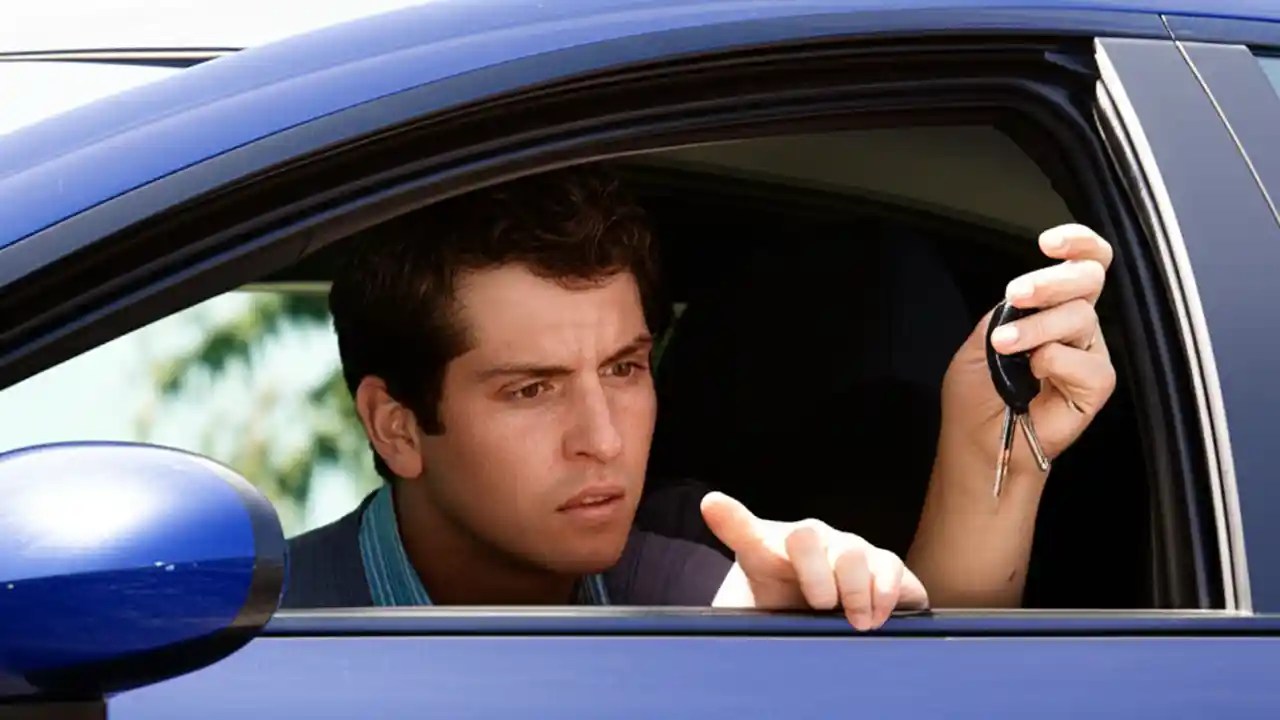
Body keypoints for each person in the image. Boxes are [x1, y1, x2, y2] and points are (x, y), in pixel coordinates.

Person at [282, 163, 1116, 630]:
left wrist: (986, 454)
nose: (602, 439)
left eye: (623, 369)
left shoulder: (679, 557)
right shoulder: (263, 636)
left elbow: (934, 697)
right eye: (531, 389)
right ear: (397, 428)